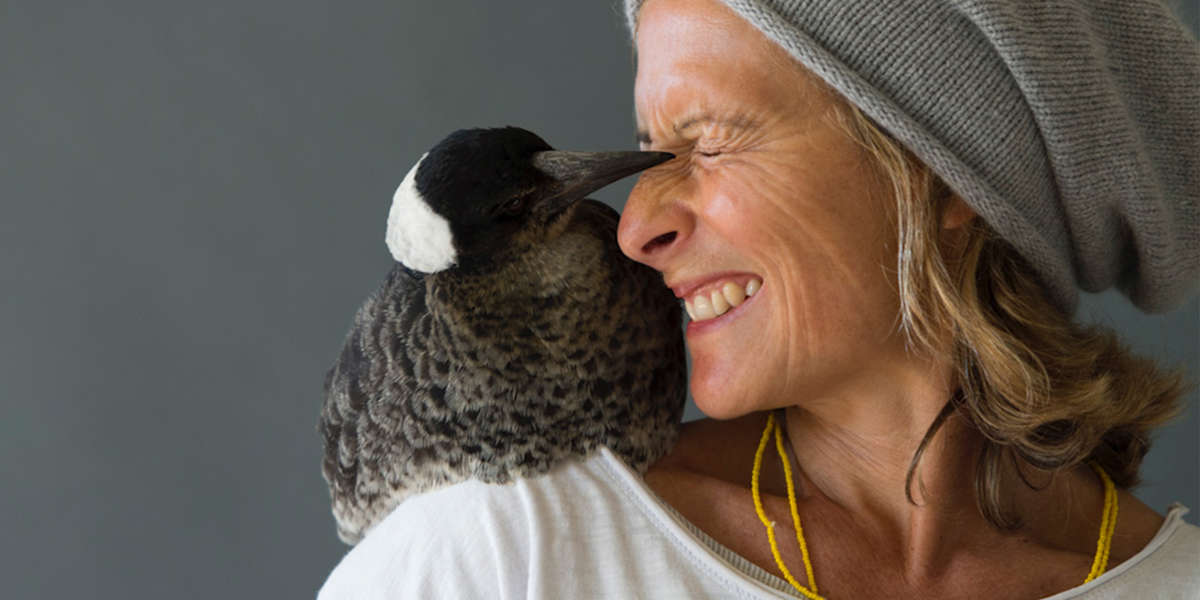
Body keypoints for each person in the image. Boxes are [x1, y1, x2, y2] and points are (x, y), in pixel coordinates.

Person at [319, 0, 1199, 597]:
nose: (633, 226)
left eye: (707, 141)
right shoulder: (502, 559)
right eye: (648, 149)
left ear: (942, 176)